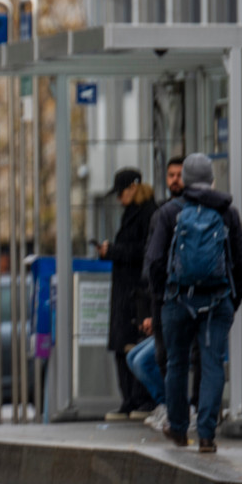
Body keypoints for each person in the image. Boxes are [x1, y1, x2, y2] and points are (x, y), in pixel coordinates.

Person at [142, 153, 242, 453]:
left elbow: (153, 262)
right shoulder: (227, 212)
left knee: (176, 363)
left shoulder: (169, 212)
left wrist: (164, 296)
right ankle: (206, 435)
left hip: (178, 300)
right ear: (211, 180)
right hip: (217, 301)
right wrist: (232, 298)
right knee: (212, 362)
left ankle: (178, 428)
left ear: (185, 181)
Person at [97, 168, 159, 420]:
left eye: (121, 192)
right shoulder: (133, 213)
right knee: (123, 344)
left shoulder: (147, 213)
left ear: (132, 188)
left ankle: (142, 400)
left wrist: (113, 251)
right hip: (126, 291)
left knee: (134, 343)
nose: (119, 198)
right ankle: (130, 400)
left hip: (137, 291)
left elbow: (142, 251)